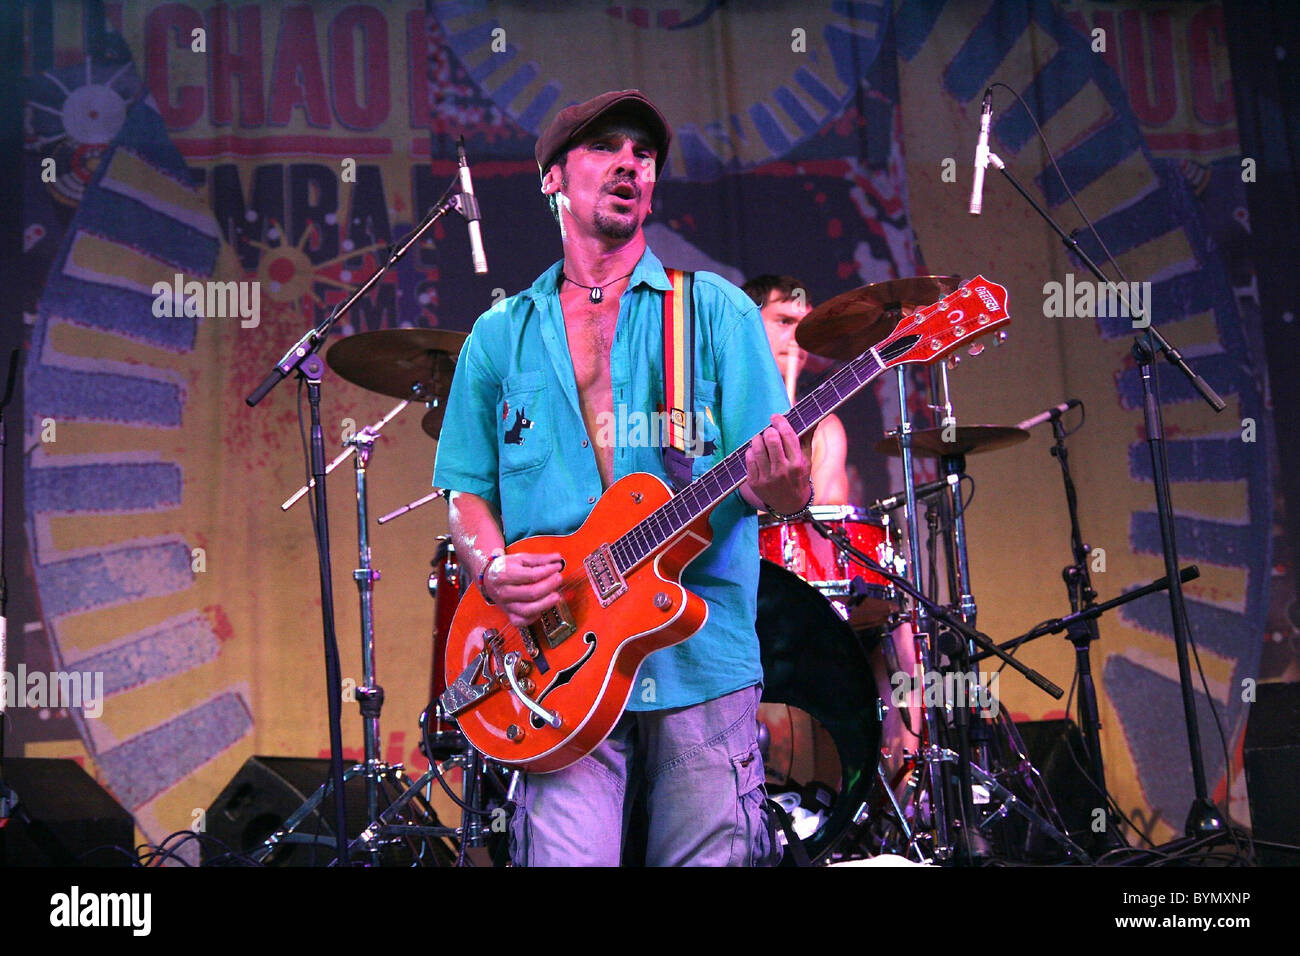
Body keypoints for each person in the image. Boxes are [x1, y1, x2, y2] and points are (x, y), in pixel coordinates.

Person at [433, 90, 812, 866]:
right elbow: (465, 490)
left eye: (643, 154)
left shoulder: (714, 313)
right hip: (557, 671)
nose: (629, 164)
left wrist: (785, 488)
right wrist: (493, 565)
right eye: (606, 147)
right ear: (552, 179)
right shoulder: (500, 336)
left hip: (698, 659)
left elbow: (783, 485)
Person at [742, 275, 850, 506]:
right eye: (784, 321)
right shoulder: (708, 410)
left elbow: (831, 516)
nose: (797, 338)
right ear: (746, 324)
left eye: (804, 327)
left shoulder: (824, 427)